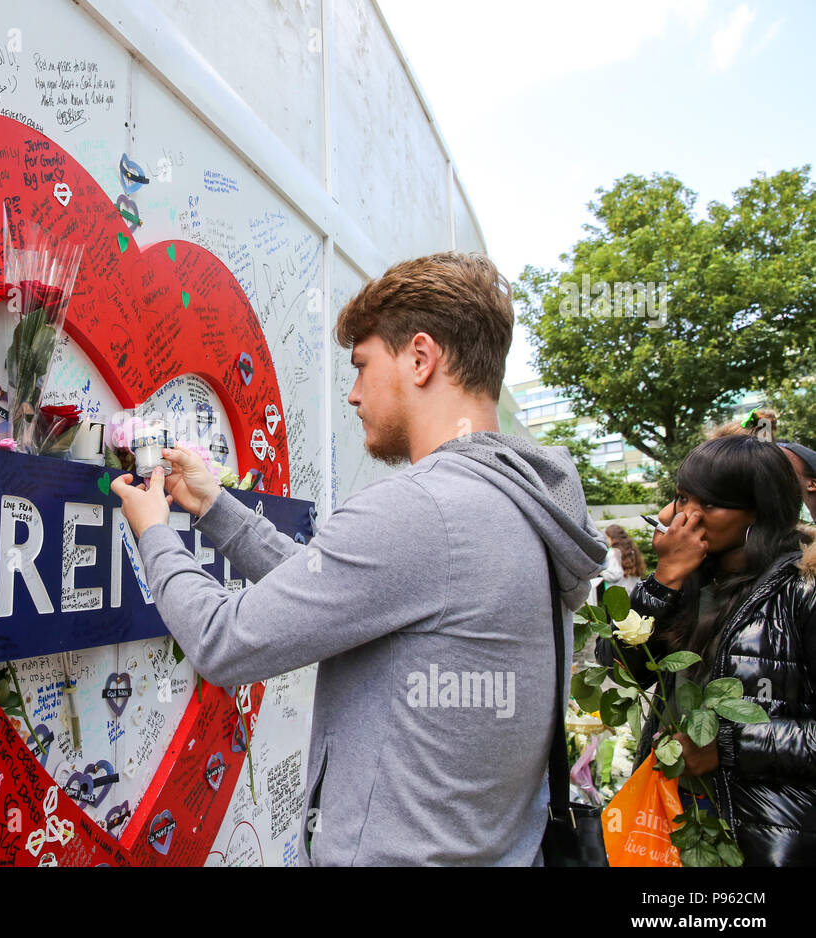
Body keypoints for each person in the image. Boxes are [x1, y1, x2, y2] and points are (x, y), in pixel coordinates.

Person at [110, 252, 607, 865]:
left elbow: (224, 643)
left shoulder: (421, 509)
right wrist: (214, 506)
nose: (351, 393)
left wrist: (155, 531)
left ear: (420, 358)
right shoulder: (520, 503)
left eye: (361, 365)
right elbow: (335, 587)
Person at [597, 429, 816, 864]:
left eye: (710, 504)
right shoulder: (689, 580)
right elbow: (620, 668)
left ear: (758, 509)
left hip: (764, 834)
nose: (687, 518)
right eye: (683, 499)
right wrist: (663, 581)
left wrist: (730, 745)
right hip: (672, 823)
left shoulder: (803, 590)